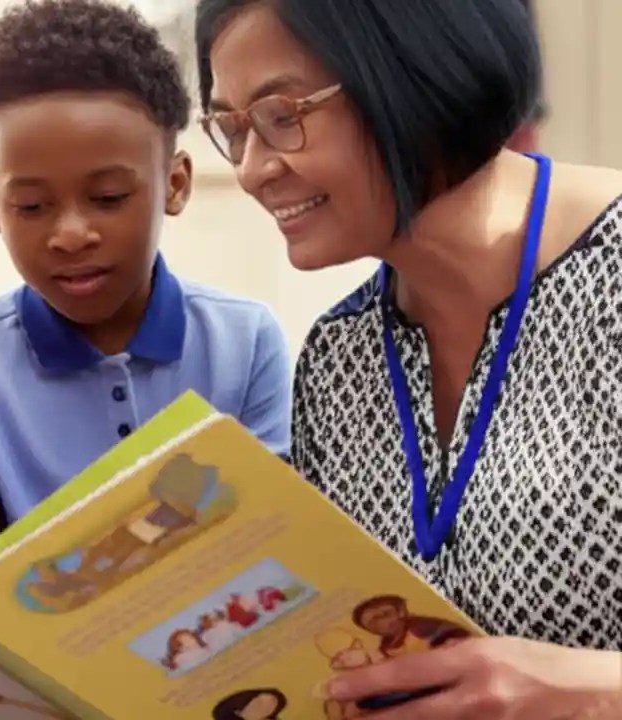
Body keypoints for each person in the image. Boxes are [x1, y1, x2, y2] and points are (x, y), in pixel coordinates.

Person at [193, 1, 622, 717]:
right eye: (232, 129)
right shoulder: (339, 357)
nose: (250, 169)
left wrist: (591, 691)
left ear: (417, 77)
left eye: (281, 116)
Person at [0, 0, 292, 585]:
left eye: (109, 197)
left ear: (175, 183)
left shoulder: (246, 341)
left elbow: (272, 548)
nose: (70, 234)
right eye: (32, 207)